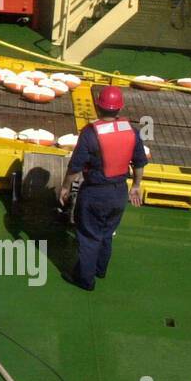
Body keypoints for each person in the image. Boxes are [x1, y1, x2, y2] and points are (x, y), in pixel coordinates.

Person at [58, 85, 147, 291]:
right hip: (119, 193)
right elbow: (139, 162)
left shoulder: (90, 134)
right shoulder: (131, 132)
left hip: (95, 192)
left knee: (89, 236)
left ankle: (85, 280)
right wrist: (136, 185)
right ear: (119, 109)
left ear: (98, 108)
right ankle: (100, 269)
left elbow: (76, 166)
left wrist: (65, 187)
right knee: (106, 233)